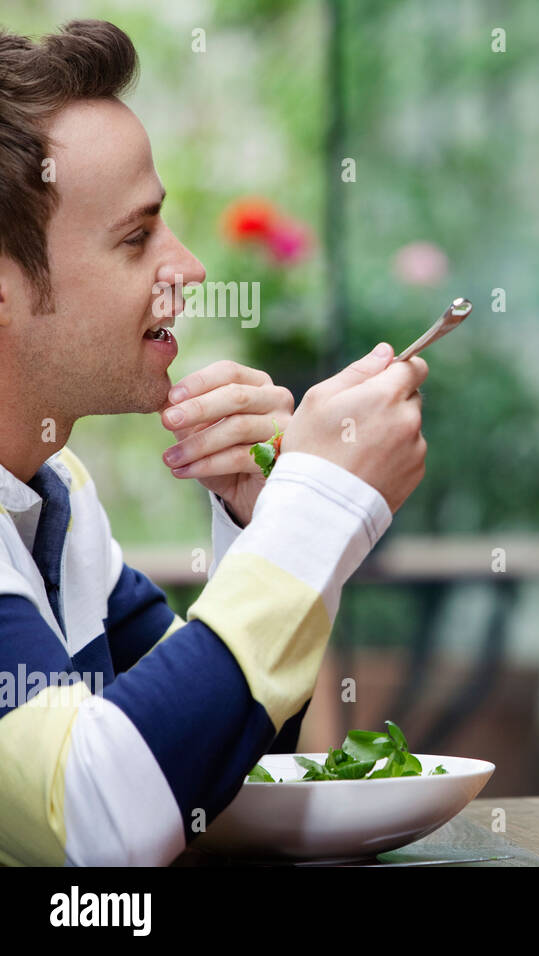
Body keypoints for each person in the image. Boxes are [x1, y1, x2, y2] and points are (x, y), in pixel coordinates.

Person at [0, 19, 429, 865]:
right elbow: (98, 820)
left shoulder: (56, 496)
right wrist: (317, 511)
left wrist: (261, 522)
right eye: (136, 237)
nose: (189, 267)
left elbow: (205, 773)